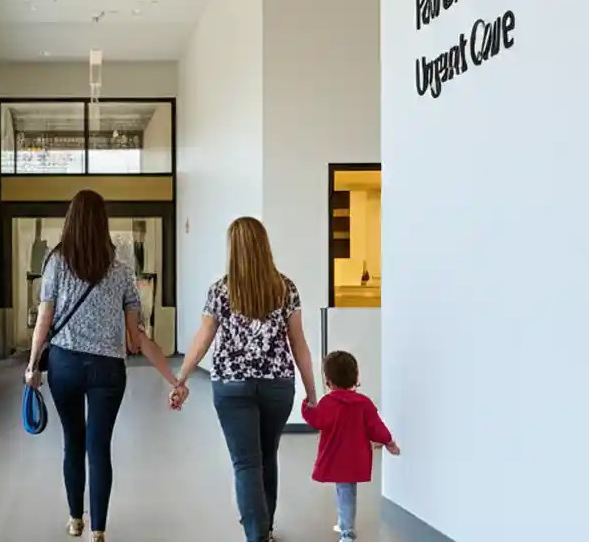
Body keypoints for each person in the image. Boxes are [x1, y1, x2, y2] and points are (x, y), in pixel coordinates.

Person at [25, 190, 181, 542]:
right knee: (99, 447)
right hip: (108, 369)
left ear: (71, 222)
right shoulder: (122, 272)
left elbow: (44, 321)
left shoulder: (55, 265)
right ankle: (98, 529)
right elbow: (136, 337)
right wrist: (173, 378)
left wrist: (33, 365)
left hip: (64, 365)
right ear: (102, 224)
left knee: (72, 443)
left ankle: (74, 520)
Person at [170, 217, 319, 542]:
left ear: (233, 250)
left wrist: (181, 378)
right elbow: (299, 342)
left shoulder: (221, 290)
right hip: (278, 385)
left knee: (246, 463)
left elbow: (203, 337)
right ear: (264, 246)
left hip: (231, 387)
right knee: (267, 456)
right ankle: (264, 529)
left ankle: (256, 534)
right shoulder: (285, 288)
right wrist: (311, 391)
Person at [301, 351, 400, 541]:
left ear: (328, 382)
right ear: (356, 377)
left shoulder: (327, 403)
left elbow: (316, 420)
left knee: (345, 492)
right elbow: (376, 428)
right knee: (345, 490)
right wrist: (389, 442)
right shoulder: (364, 403)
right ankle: (344, 522)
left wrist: (307, 404)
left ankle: (347, 532)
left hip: (336, 457)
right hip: (355, 458)